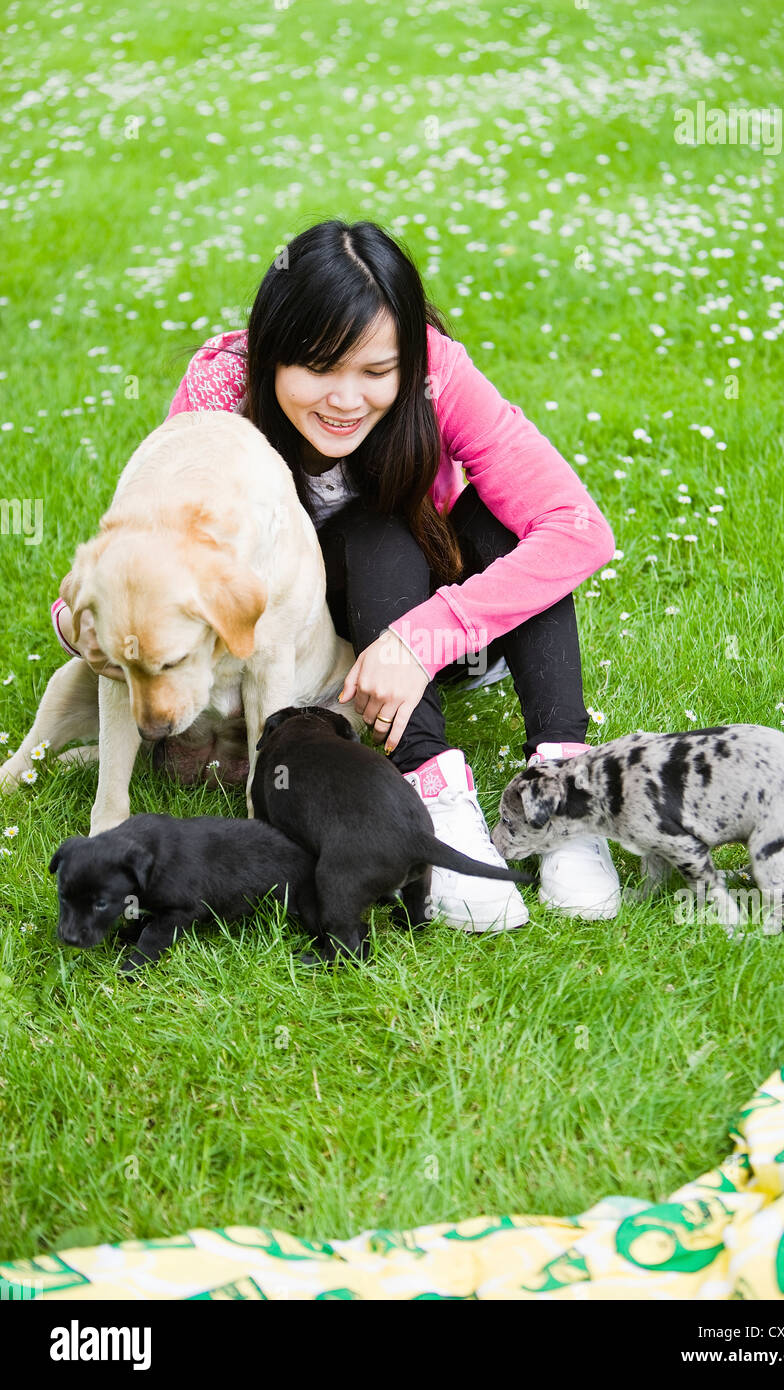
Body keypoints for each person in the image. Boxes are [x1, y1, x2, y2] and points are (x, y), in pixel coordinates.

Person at [52, 218, 621, 931]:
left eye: (377, 372)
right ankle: (432, 790)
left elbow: (578, 526)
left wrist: (425, 638)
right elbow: (144, 561)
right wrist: (85, 629)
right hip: (328, 658)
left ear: (408, 362)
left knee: (494, 524)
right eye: (320, 368)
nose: (346, 399)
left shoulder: (438, 374)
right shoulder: (221, 390)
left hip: (430, 621)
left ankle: (566, 789)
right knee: (368, 533)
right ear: (271, 354)